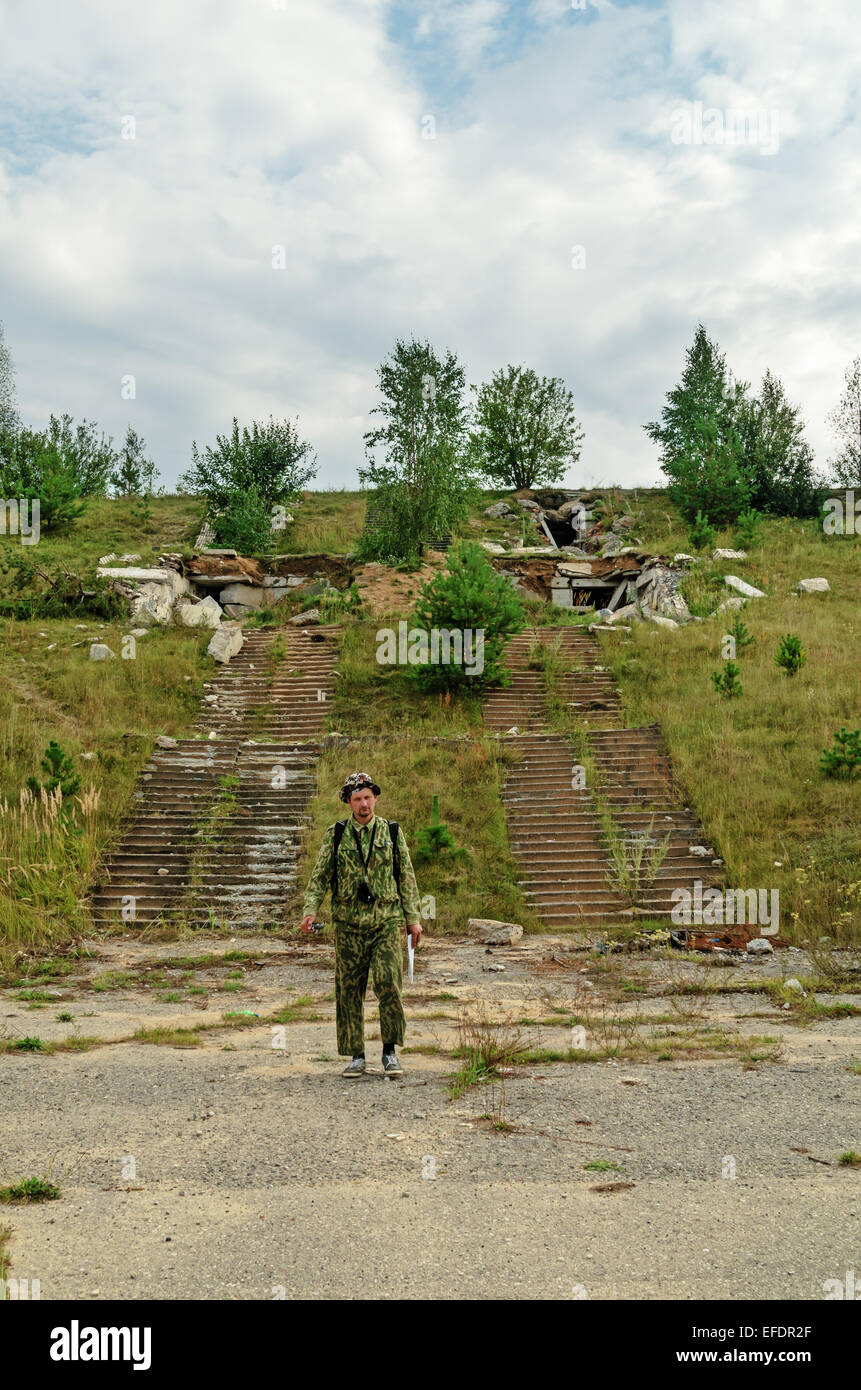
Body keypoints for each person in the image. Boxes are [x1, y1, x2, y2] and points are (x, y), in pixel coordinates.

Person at [300, 771, 422, 1078]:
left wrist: (413, 919)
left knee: (388, 983)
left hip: (385, 920)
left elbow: (405, 876)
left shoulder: (392, 832)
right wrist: (310, 911)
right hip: (348, 924)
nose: (363, 804)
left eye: (368, 797)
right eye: (357, 799)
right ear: (348, 802)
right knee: (349, 990)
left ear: (375, 798)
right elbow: (320, 876)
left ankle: (390, 1051)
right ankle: (356, 1055)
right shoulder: (337, 834)